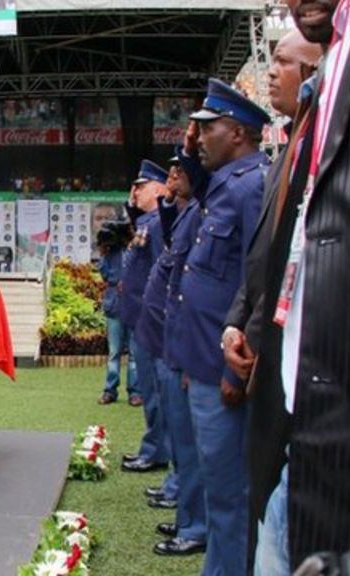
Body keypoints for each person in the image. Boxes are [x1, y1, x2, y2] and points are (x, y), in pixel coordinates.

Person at [248, 0, 350, 569]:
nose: (276, 74)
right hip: (302, 412)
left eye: (284, 63)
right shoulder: (339, 62)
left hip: (348, 434)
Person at [218, 26, 321, 575]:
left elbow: (290, 263)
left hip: (291, 367)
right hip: (260, 351)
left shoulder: (305, 152)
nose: (271, 73)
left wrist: (252, 338)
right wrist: (235, 327)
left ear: (314, 70)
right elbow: (259, 263)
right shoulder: (287, 151)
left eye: (282, 63)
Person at [173, 78, 271, 575]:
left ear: (237, 133)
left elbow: (259, 279)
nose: (197, 135)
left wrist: (237, 370)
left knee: (230, 496)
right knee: (220, 492)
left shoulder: (254, 184)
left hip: (228, 368)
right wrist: (190, 150)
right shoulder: (229, 181)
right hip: (208, 363)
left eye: (207, 128)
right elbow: (194, 180)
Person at [149, 157, 208, 556]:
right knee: (184, 441)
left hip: (189, 346)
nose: (169, 181)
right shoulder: (184, 215)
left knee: (193, 446)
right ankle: (189, 516)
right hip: (171, 339)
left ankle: (196, 524)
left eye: (177, 173)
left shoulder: (204, 210)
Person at [118, 161, 171, 477]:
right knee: (151, 389)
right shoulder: (147, 221)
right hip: (140, 318)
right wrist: (132, 203)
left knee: (155, 392)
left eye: (142, 186)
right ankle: (154, 448)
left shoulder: (159, 223)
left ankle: (156, 451)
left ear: (161, 189)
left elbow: (159, 271)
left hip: (150, 320)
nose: (135, 191)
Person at [95, 219, 137, 406]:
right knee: (114, 352)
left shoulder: (137, 249)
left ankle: (135, 392)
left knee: (134, 353)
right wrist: (103, 251)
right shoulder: (111, 252)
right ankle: (110, 390)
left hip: (135, 304)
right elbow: (103, 274)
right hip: (114, 304)